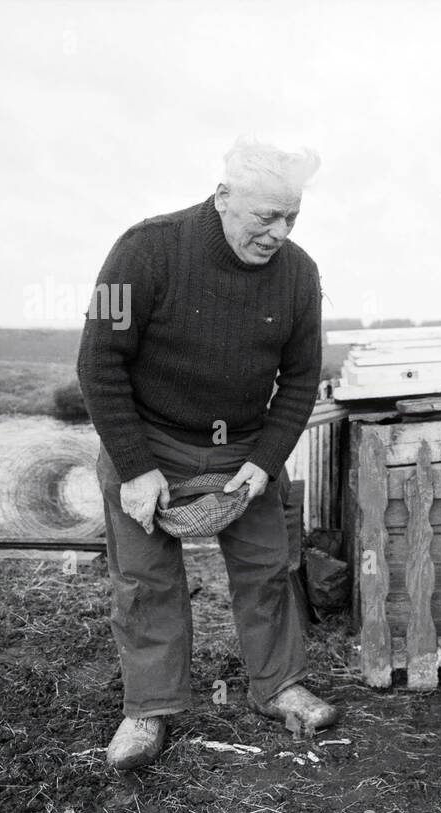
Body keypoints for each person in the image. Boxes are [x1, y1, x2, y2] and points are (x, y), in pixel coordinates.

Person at [77, 137, 336, 770]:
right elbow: (98, 362)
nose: (278, 232)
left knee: (268, 567)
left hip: (244, 445)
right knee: (143, 579)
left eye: (291, 218)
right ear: (223, 197)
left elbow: (301, 379)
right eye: (265, 216)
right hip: (150, 437)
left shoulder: (300, 275)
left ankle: (278, 685)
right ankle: (149, 707)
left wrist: (267, 460)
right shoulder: (145, 249)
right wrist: (135, 469)